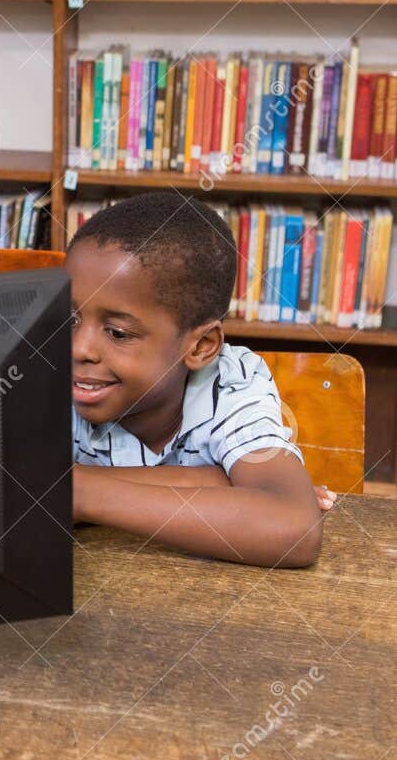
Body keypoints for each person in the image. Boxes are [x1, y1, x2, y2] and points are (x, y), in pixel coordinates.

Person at [65, 192, 328, 567]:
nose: (78, 348)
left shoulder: (232, 385)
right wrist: (216, 484)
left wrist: (74, 490)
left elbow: (291, 528)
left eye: (118, 333)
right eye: (68, 319)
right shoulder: (46, 374)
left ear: (202, 346)